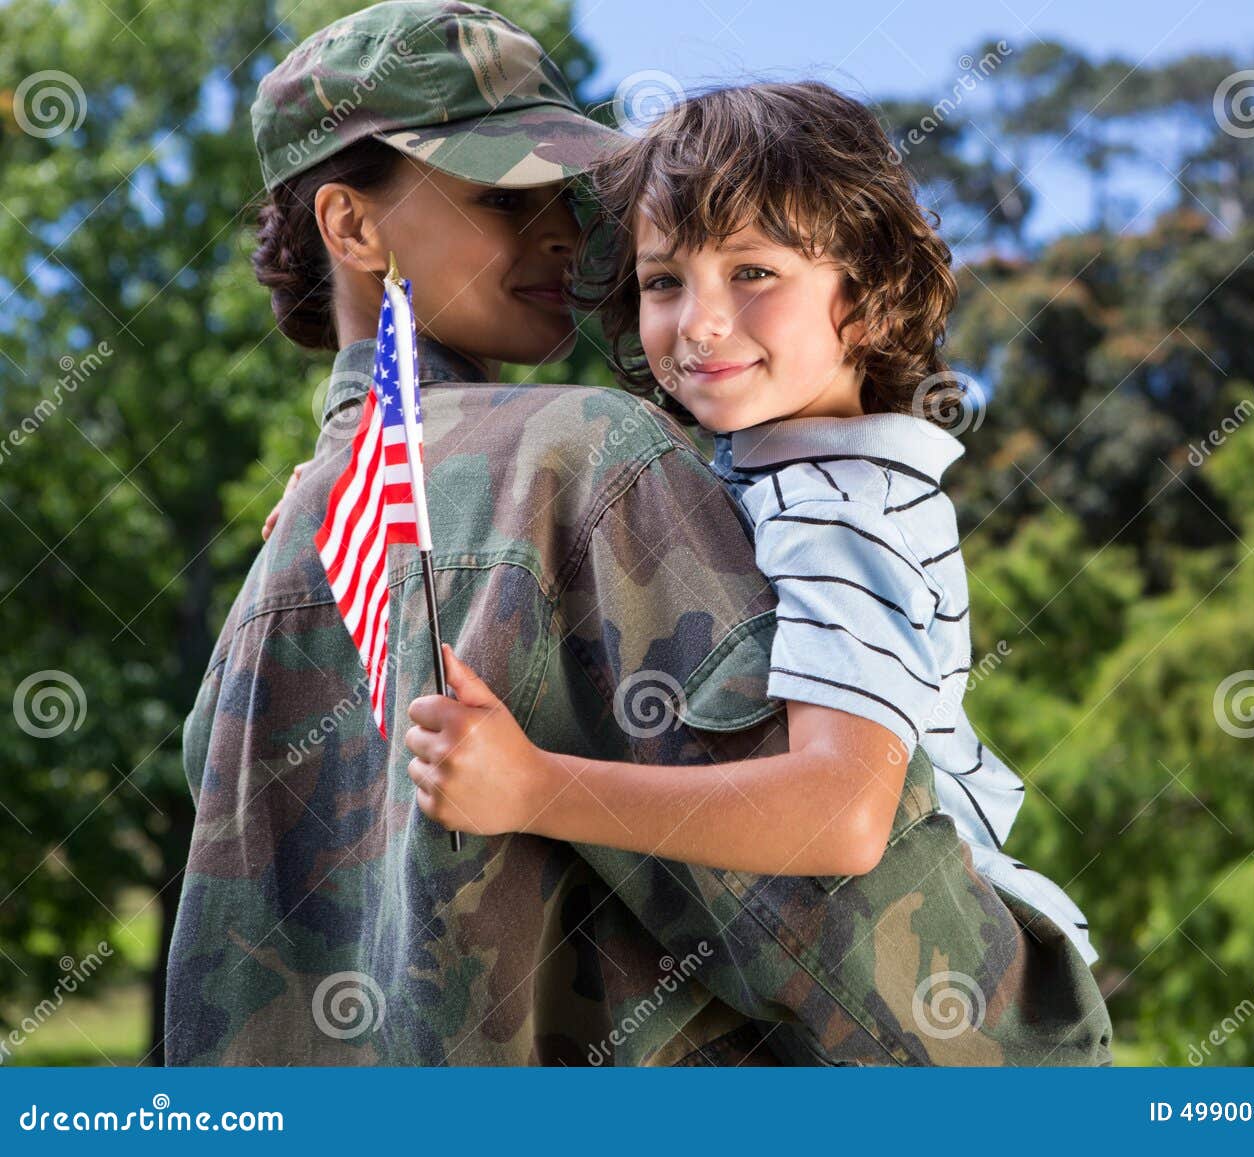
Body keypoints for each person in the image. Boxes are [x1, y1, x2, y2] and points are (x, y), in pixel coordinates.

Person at [171, 0, 1113, 1066]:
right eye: (502, 197)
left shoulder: (289, 545)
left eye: (566, 199)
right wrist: (1048, 1028)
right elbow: (890, 962)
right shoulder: (590, 460)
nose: (565, 234)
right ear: (352, 226)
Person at [403, 81, 1099, 971]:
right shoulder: (764, 470)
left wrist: (536, 788)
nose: (700, 322)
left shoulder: (845, 509)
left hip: (934, 976)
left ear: (869, 292)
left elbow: (844, 813)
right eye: (664, 281)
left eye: (754, 272)